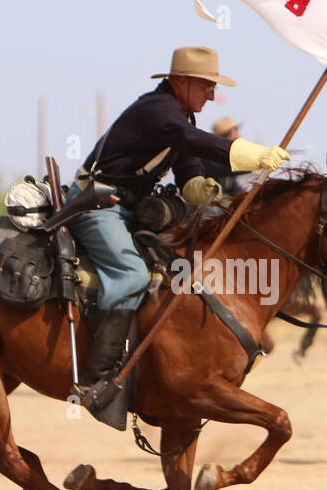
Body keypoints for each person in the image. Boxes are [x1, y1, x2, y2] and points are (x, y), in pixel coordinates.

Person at [66, 46, 288, 420]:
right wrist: (253, 154)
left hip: (130, 211)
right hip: (98, 206)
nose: (212, 95)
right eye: (206, 86)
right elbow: (193, 142)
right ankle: (96, 377)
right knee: (131, 275)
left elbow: (189, 167)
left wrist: (202, 188)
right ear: (180, 81)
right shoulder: (158, 111)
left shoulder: (179, 117)